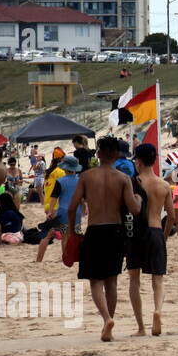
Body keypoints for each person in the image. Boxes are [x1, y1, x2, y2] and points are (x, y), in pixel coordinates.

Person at [66, 137, 143, 342]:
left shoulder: (87, 176)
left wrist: (73, 229)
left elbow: (73, 207)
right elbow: (134, 209)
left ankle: (106, 319)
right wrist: (139, 198)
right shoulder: (123, 178)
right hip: (116, 231)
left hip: (95, 230)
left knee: (95, 281)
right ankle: (108, 323)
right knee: (112, 281)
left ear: (98, 153)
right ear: (117, 155)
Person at [126, 144, 174, 337]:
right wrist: (164, 236)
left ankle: (140, 327)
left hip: (135, 234)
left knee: (134, 280)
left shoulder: (132, 183)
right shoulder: (163, 185)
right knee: (158, 279)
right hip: (155, 231)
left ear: (138, 162)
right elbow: (171, 216)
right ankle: (157, 311)